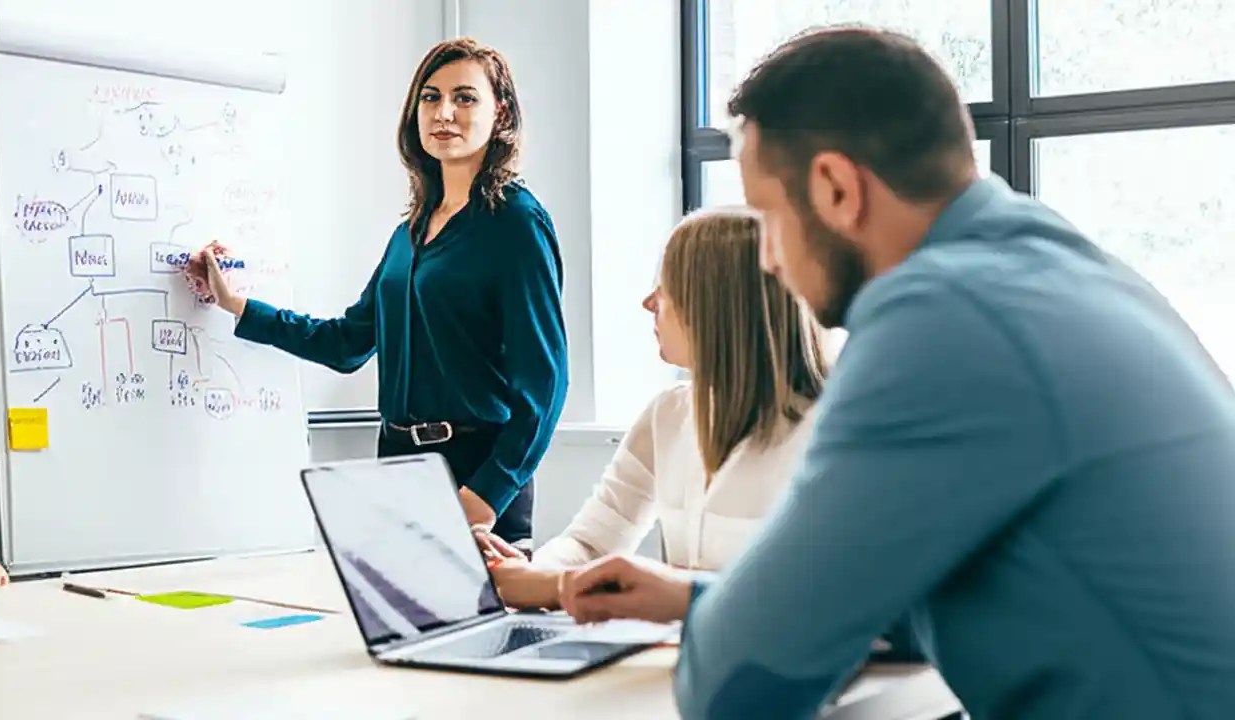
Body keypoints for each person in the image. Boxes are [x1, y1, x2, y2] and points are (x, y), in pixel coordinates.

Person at [558, 26, 1235, 719]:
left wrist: (725, 622)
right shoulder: (1057, 267)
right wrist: (694, 596)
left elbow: (741, 682)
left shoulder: (943, 324)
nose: (766, 259)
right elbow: (909, 594)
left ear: (835, 189)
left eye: (766, 217)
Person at [202, 38, 567, 546]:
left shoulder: (516, 222)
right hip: (397, 465)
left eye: (465, 98)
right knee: (395, 625)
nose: (444, 113)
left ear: (500, 112)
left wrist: (486, 495)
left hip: (475, 473)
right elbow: (348, 343)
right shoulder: (411, 232)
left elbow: (544, 387)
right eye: (430, 97)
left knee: (479, 625)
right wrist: (237, 303)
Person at [478, 207, 828, 610]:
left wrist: (558, 587)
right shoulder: (668, 414)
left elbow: (812, 596)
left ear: (715, 304)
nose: (648, 302)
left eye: (665, 286)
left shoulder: (829, 436)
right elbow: (590, 543)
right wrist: (526, 572)